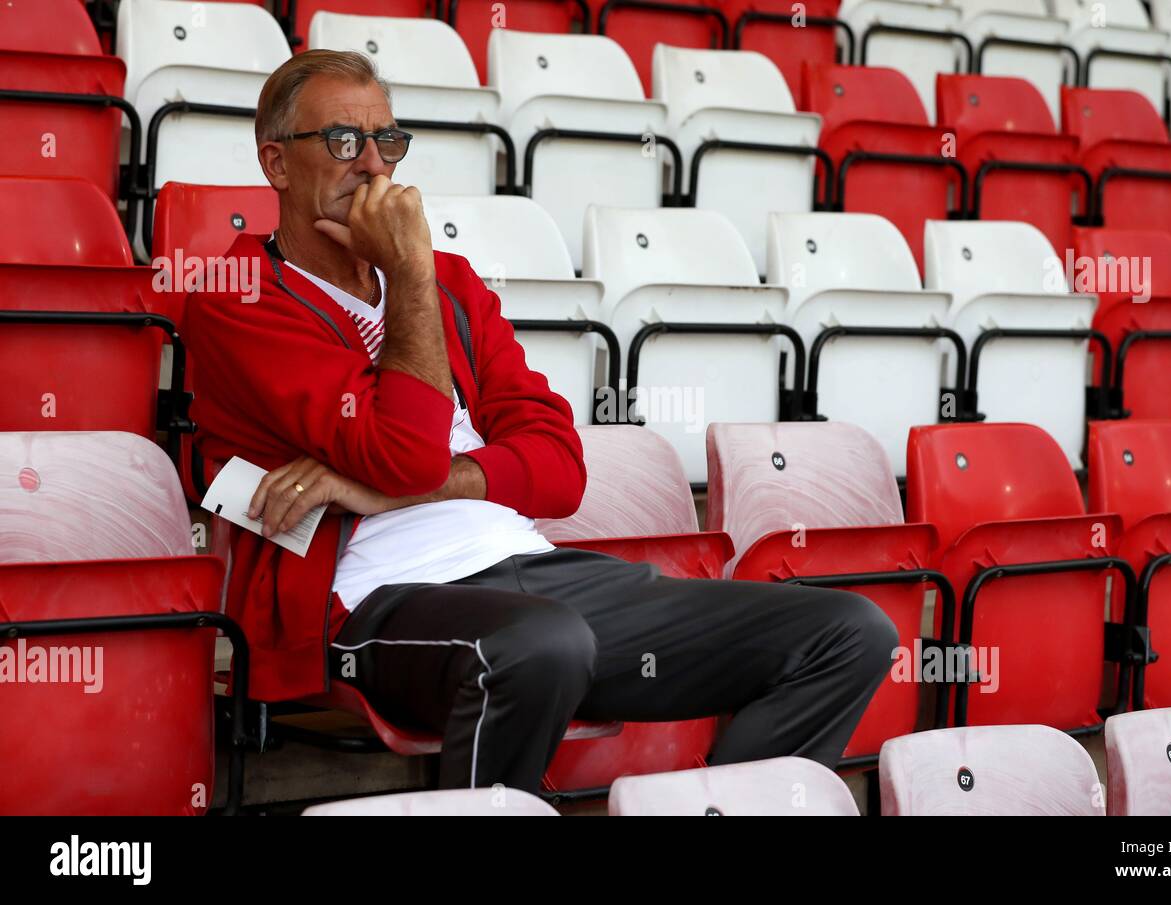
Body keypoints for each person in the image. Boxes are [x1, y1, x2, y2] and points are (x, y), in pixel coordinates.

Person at [184, 50, 899, 792]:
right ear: (276, 162)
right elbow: (404, 453)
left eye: (387, 141)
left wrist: (383, 483)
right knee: (540, 643)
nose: (372, 166)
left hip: (541, 574)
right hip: (379, 601)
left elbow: (560, 469)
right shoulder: (238, 301)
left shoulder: (452, 284)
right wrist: (407, 277)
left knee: (848, 631)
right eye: (341, 141)